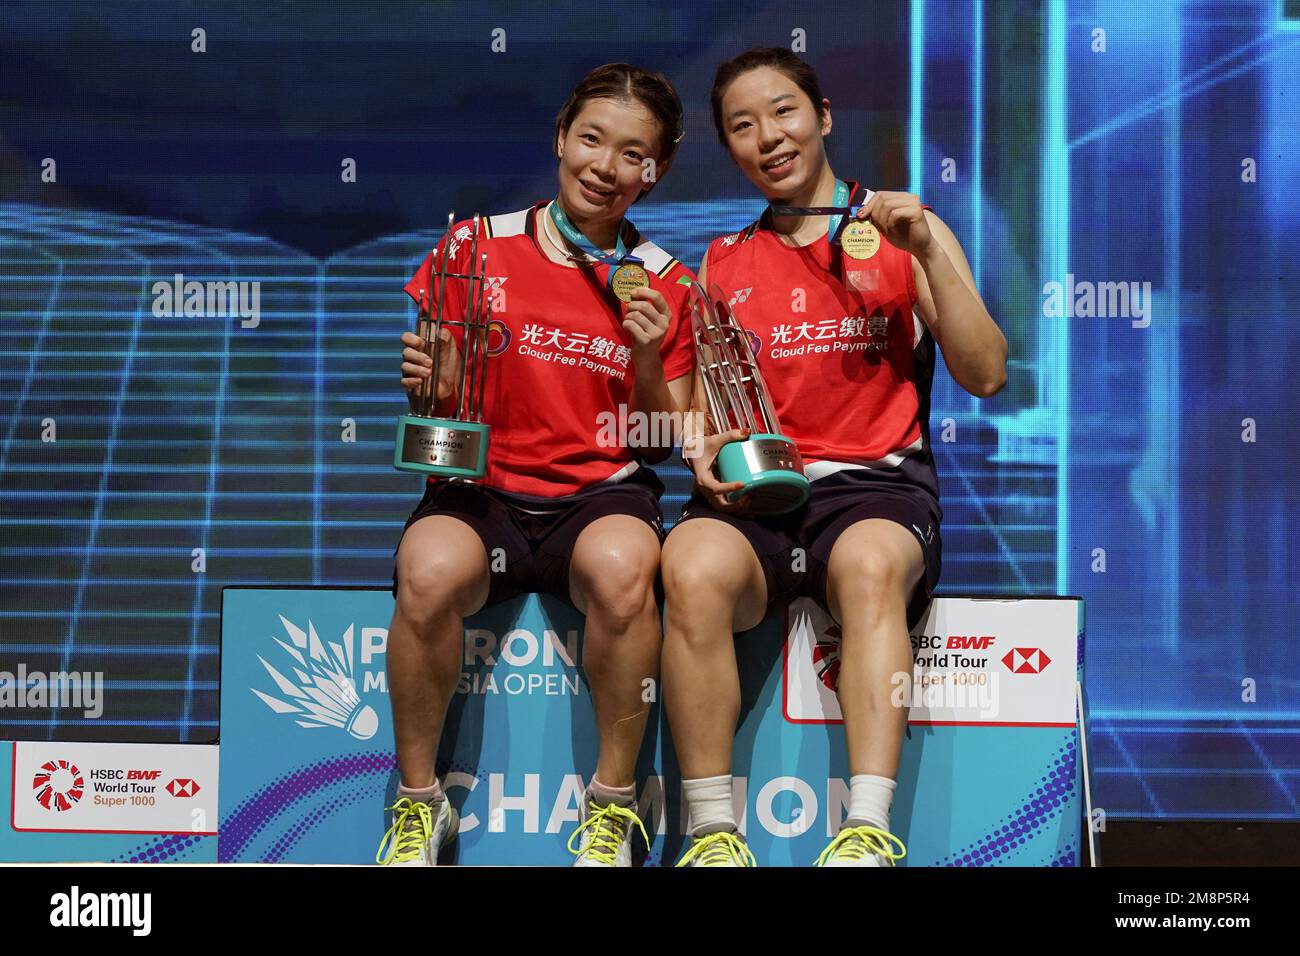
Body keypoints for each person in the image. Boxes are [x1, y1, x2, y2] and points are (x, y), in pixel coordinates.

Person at [662, 47, 1008, 867]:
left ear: (822, 117)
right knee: (689, 566)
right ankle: (713, 833)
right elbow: (704, 414)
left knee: (867, 567)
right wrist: (700, 450)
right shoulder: (722, 261)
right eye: (741, 127)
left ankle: (868, 829)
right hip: (760, 496)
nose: (767, 138)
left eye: (783, 112)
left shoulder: (903, 231)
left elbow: (987, 371)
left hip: (877, 491)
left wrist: (925, 249)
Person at [378, 63, 695, 867]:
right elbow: (441, 398)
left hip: (599, 496)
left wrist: (650, 352)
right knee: (424, 571)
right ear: (560, 139)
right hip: (481, 490)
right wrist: (427, 375)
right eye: (591, 139)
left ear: (655, 170)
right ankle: (419, 808)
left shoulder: (667, 283)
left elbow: (658, 441)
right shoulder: (476, 245)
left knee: (627, 573)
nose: (605, 166)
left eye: (633, 153)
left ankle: (613, 810)